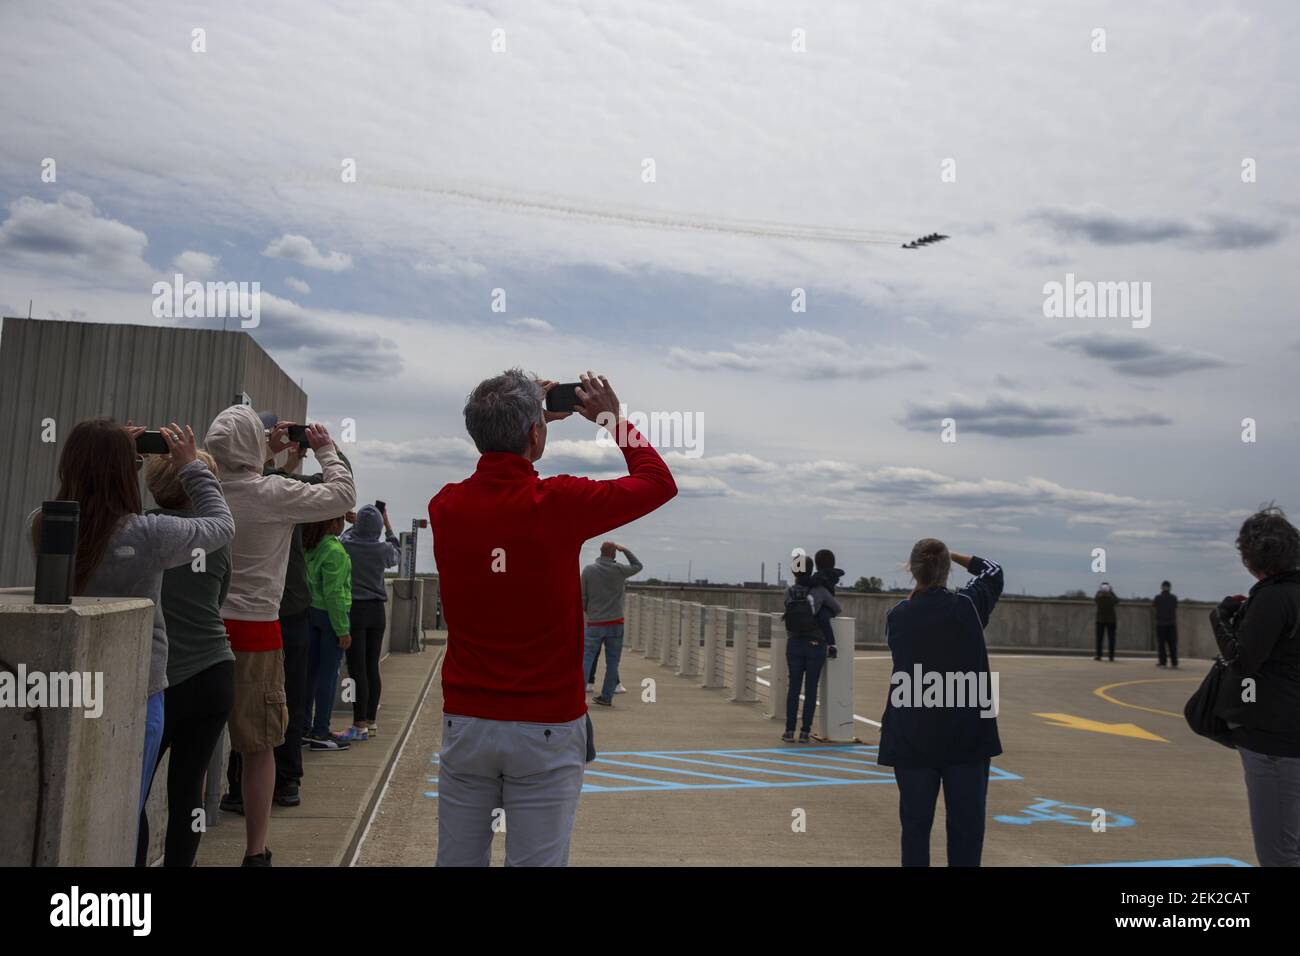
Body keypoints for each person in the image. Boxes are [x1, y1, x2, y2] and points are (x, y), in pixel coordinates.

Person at [428, 369, 676, 866]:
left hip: (467, 721)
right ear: (536, 435)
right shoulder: (559, 503)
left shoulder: (446, 506)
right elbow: (656, 482)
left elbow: (495, 471)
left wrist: (524, 417)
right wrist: (612, 420)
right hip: (545, 724)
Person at [29, 419, 234, 856]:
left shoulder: (46, 525)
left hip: (68, 685)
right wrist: (191, 465)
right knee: (125, 806)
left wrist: (107, 453)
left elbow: (76, 498)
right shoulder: (148, 535)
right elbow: (220, 525)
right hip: (139, 690)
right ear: (127, 470)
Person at [205, 405, 355, 866]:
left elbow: (236, 470)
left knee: (197, 750)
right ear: (255, 446)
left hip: (204, 630)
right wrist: (324, 447)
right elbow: (342, 495)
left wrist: (260, 451)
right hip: (257, 631)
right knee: (259, 746)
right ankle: (256, 850)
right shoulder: (272, 493)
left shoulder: (201, 490)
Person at [135, 449, 238, 867]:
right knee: (188, 791)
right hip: (213, 671)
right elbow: (220, 596)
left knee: (134, 791)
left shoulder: (140, 529)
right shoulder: (212, 538)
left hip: (158, 677)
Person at [877, 540, 1003, 867]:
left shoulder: (898, 616)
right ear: (947, 569)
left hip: (913, 736)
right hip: (967, 736)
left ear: (912, 570)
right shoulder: (969, 607)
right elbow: (993, 571)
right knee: (966, 828)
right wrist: (955, 554)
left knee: (916, 828)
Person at [1210, 506, 1300, 867]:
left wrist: (1220, 619)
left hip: (1274, 739)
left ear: (1251, 559)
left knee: (1278, 852)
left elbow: (1244, 661)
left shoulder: (1274, 597)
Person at [337, 504, 401, 740]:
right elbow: (396, 550)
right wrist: (388, 525)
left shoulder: (347, 545)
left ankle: (359, 724)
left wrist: (354, 524)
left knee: (356, 670)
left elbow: (343, 537)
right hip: (377, 612)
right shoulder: (381, 549)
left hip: (355, 611)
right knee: (372, 667)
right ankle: (371, 721)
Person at [303, 515, 353, 747]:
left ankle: (304, 727)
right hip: (331, 619)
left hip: (311, 613)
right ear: (333, 524)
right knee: (328, 676)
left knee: (309, 674)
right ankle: (321, 731)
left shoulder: (311, 545)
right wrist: (342, 629)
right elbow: (335, 594)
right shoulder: (335, 551)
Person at [781, 552, 841, 742]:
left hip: (794, 643)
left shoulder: (788, 592)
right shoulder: (819, 590)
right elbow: (837, 608)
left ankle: (789, 731)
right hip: (815, 643)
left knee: (794, 688)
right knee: (811, 688)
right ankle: (805, 732)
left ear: (793, 571)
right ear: (811, 569)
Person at [581, 541, 643, 706]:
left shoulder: (588, 570)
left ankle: (577, 696)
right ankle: (607, 697)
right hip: (616, 622)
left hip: (594, 622)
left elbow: (583, 597)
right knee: (613, 661)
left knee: (587, 659)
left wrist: (590, 611)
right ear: (614, 554)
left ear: (600, 552)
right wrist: (626, 550)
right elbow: (638, 565)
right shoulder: (619, 570)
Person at [812, 548, 845, 658]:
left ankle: (831, 644)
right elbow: (841, 572)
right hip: (823, 605)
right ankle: (829, 644)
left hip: (826, 606)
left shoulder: (821, 576)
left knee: (822, 618)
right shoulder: (831, 575)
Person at [1153, 580, 1179, 668]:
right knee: (1172, 644)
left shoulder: (1158, 598)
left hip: (1161, 624)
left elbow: (1154, 606)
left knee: (1161, 645)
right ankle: (1174, 662)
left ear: (1162, 587)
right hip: (1171, 624)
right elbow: (1175, 606)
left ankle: (1163, 662)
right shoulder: (1173, 598)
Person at [1094, 582, 1119, 661]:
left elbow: (1095, 599)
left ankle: (1099, 655)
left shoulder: (1099, 597)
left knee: (1099, 639)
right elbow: (1117, 601)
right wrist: (1111, 591)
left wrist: (1099, 591)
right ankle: (1111, 656)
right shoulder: (1111, 598)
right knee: (1111, 639)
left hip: (1100, 620)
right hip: (1111, 620)